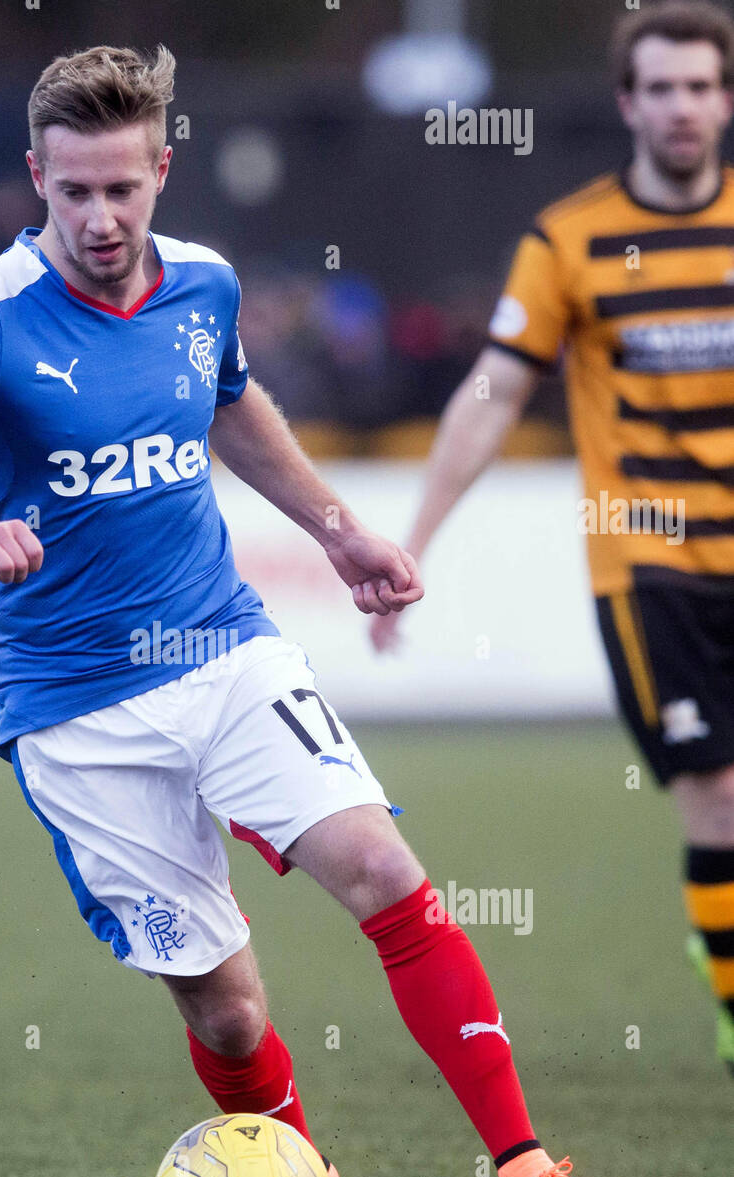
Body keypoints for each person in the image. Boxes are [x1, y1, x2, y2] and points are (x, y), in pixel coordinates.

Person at [0, 44, 640, 1177]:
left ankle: (530, 1174)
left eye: (123, 190)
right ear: (34, 177)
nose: (100, 219)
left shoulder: (201, 286)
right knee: (228, 1005)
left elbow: (229, 404)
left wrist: (341, 530)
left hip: (224, 647)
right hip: (75, 711)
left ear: (161, 170)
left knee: (380, 864)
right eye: (73, 194)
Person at [372, 1, 734, 1077]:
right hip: (650, 567)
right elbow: (489, 397)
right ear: (628, 103)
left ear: (723, 98)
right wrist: (414, 543)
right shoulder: (569, 238)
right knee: (715, 792)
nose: (681, 106)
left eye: (700, 86)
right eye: (659, 87)